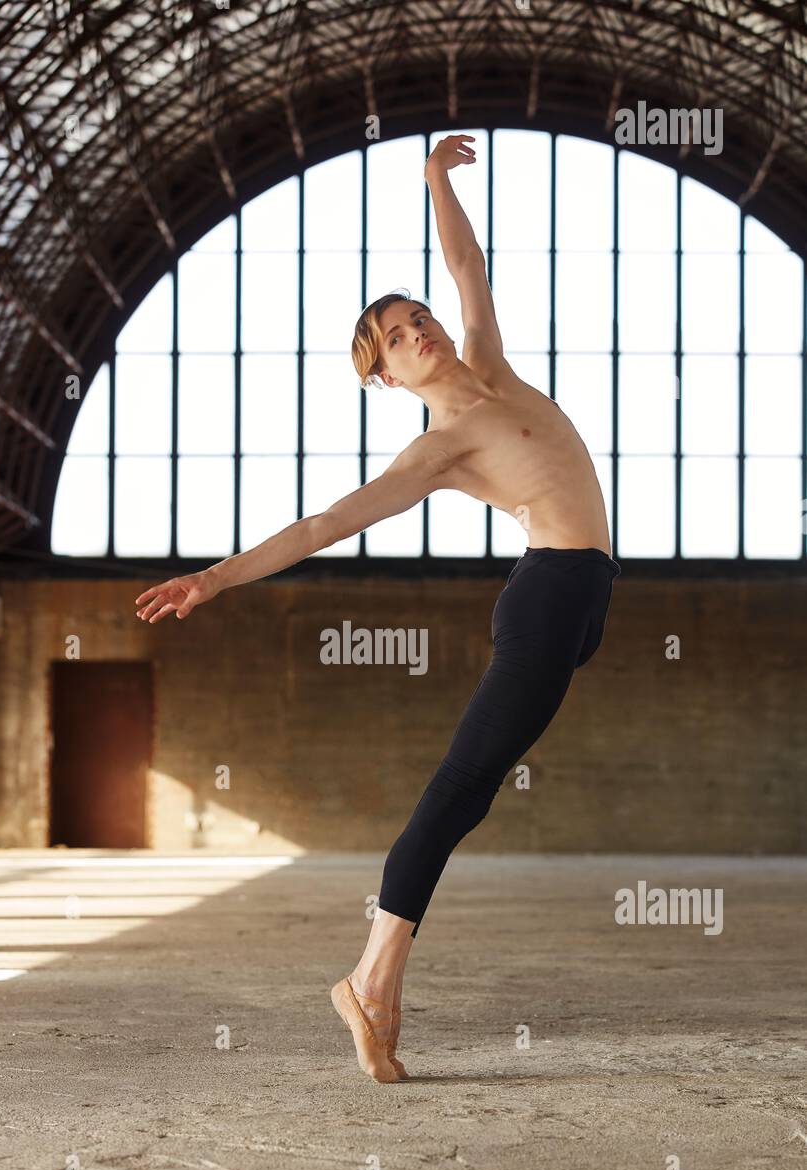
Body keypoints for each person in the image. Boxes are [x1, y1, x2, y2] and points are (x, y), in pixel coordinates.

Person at [134, 133, 621, 1085]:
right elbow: (322, 525)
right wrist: (214, 579)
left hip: (587, 598)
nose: (421, 331)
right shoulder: (437, 447)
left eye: (418, 318)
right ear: (385, 378)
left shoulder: (495, 365)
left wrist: (436, 181)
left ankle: (372, 980)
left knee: (472, 788)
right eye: (398, 337)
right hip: (549, 594)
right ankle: (371, 978)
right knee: (461, 786)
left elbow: (467, 264)